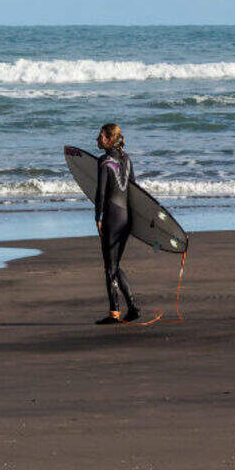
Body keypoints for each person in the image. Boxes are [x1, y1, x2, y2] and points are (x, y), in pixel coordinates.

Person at [93, 122, 140, 324]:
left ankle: (114, 312)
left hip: (112, 219)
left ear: (110, 139)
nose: (97, 139)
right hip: (126, 218)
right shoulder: (127, 159)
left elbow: (100, 193)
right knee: (115, 264)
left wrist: (98, 217)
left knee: (109, 267)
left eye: (101, 136)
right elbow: (135, 190)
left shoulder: (104, 161)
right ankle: (133, 308)